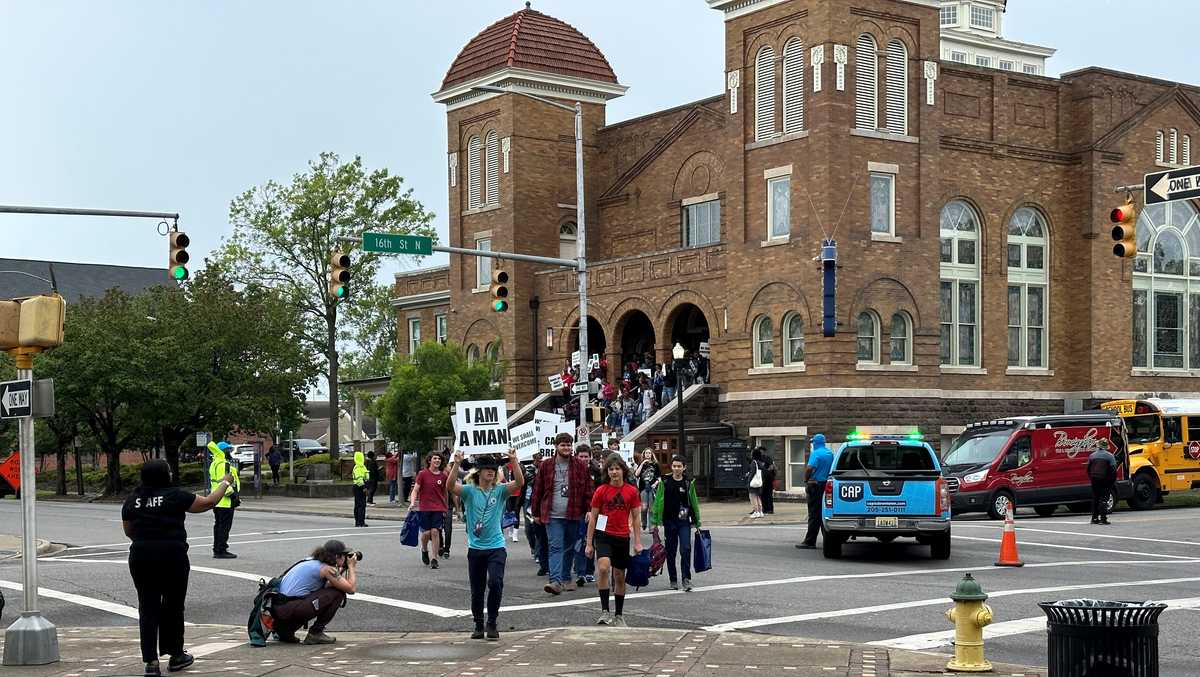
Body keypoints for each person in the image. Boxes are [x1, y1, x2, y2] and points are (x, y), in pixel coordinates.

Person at [123, 460, 234, 676]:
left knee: (147, 607)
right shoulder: (175, 495)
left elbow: (129, 530)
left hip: (141, 556)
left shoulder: (132, 499)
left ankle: (151, 662)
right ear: (165, 475)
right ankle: (175, 655)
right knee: (173, 605)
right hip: (172, 555)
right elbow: (209, 502)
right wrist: (225, 482)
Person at [447, 449, 523, 640]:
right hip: (476, 549)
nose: (490, 471)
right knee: (477, 589)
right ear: (478, 472)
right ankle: (479, 624)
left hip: (496, 547)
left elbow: (520, 483)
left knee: (495, 582)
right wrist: (457, 463)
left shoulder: (500, 491)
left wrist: (514, 461)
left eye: (493, 469)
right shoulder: (469, 491)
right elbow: (450, 486)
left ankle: (492, 622)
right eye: (487, 468)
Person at [530, 433, 593, 595]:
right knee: (555, 547)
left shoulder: (580, 465)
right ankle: (555, 581)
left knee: (570, 547)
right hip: (552, 515)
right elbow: (537, 489)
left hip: (574, 513)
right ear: (556, 446)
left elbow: (588, 489)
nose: (566, 448)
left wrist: (589, 509)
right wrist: (535, 512)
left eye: (569, 445)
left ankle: (565, 577)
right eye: (563, 445)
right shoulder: (546, 465)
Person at [585, 453, 642, 626]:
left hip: (622, 536)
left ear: (623, 470)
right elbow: (593, 518)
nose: (614, 472)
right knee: (603, 568)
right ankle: (604, 611)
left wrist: (637, 542)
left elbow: (636, 517)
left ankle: (619, 614)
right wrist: (589, 543)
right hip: (604, 535)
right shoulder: (601, 490)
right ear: (607, 471)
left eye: (617, 469)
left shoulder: (632, 491)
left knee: (619, 576)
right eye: (611, 469)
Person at [272, 539, 358, 645]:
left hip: (280, 609)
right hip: (292, 608)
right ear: (337, 556)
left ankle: (284, 631)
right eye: (344, 555)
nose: (346, 558)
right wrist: (351, 567)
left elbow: (328, 585)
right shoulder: (326, 569)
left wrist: (342, 568)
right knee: (337, 594)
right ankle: (316, 633)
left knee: (323, 593)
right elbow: (350, 589)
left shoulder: (311, 561)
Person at [650, 455, 701, 591]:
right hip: (669, 521)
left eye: (679, 466)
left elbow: (694, 502)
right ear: (671, 467)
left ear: (684, 468)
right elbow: (658, 501)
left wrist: (697, 521)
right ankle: (673, 579)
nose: (676, 468)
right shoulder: (665, 482)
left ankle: (686, 579)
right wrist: (654, 521)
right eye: (674, 466)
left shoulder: (688, 483)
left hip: (683, 520)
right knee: (671, 551)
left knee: (686, 549)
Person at [410, 451, 449, 569]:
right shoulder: (423, 474)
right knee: (426, 533)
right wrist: (412, 502)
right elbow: (415, 490)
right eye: (435, 458)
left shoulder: (443, 476)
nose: (437, 460)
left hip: (438, 508)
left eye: (439, 459)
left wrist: (446, 507)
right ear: (429, 460)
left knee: (435, 532)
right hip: (425, 508)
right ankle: (424, 549)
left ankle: (434, 558)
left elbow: (445, 493)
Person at [796, 434, 835, 549]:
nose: (812, 444)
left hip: (816, 485)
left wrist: (806, 479)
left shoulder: (816, 453)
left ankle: (810, 541)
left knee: (814, 514)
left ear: (816, 443)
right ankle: (827, 540)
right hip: (827, 485)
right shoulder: (830, 453)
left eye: (813, 442)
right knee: (824, 512)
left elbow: (809, 468)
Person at [206, 441, 241, 559]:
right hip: (225, 501)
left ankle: (217, 548)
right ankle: (221, 550)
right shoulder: (223, 464)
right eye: (227, 450)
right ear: (222, 452)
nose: (229, 452)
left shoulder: (214, 463)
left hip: (216, 500)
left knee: (218, 526)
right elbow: (224, 483)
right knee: (224, 527)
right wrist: (233, 496)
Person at [573, 446, 600, 587]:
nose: (584, 459)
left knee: (592, 541)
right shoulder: (572, 471)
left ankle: (589, 570)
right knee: (580, 540)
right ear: (576, 456)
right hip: (579, 511)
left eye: (586, 456)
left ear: (590, 457)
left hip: (596, 512)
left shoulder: (597, 472)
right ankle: (580, 572)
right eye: (581, 456)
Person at [1088, 438, 1118, 525]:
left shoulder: (1092, 456)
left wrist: (1091, 478)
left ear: (1098, 446)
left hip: (1094, 479)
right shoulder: (1110, 456)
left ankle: (1094, 518)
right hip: (1105, 480)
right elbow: (1113, 470)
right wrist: (1112, 481)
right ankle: (1103, 519)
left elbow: (1088, 469)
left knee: (1096, 498)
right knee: (1104, 498)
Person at [634, 449, 660, 531]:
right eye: (646, 453)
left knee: (652, 508)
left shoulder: (655, 464)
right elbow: (636, 474)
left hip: (652, 488)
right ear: (644, 454)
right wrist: (642, 464)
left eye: (649, 453)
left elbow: (659, 477)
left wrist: (655, 483)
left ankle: (651, 527)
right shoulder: (641, 464)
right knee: (644, 507)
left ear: (652, 454)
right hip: (643, 488)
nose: (648, 454)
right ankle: (644, 523)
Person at [746, 448, 766, 519]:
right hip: (759, 482)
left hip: (753, 483)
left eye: (752, 453)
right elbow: (763, 471)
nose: (751, 454)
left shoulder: (753, 462)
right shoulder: (760, 462)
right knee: (758, 497)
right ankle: (760, 512)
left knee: (753, 497)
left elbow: (752, 473)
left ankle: (756, 512)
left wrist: (749, 481)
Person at [351, 451, 369, 528]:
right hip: (359, 487)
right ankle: (359, 522)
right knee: (360, 505)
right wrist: (364, 487)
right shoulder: (358, 467)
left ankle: (360, 521)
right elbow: (359, 478)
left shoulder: (362, 466)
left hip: (360, 486)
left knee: (360, 505)